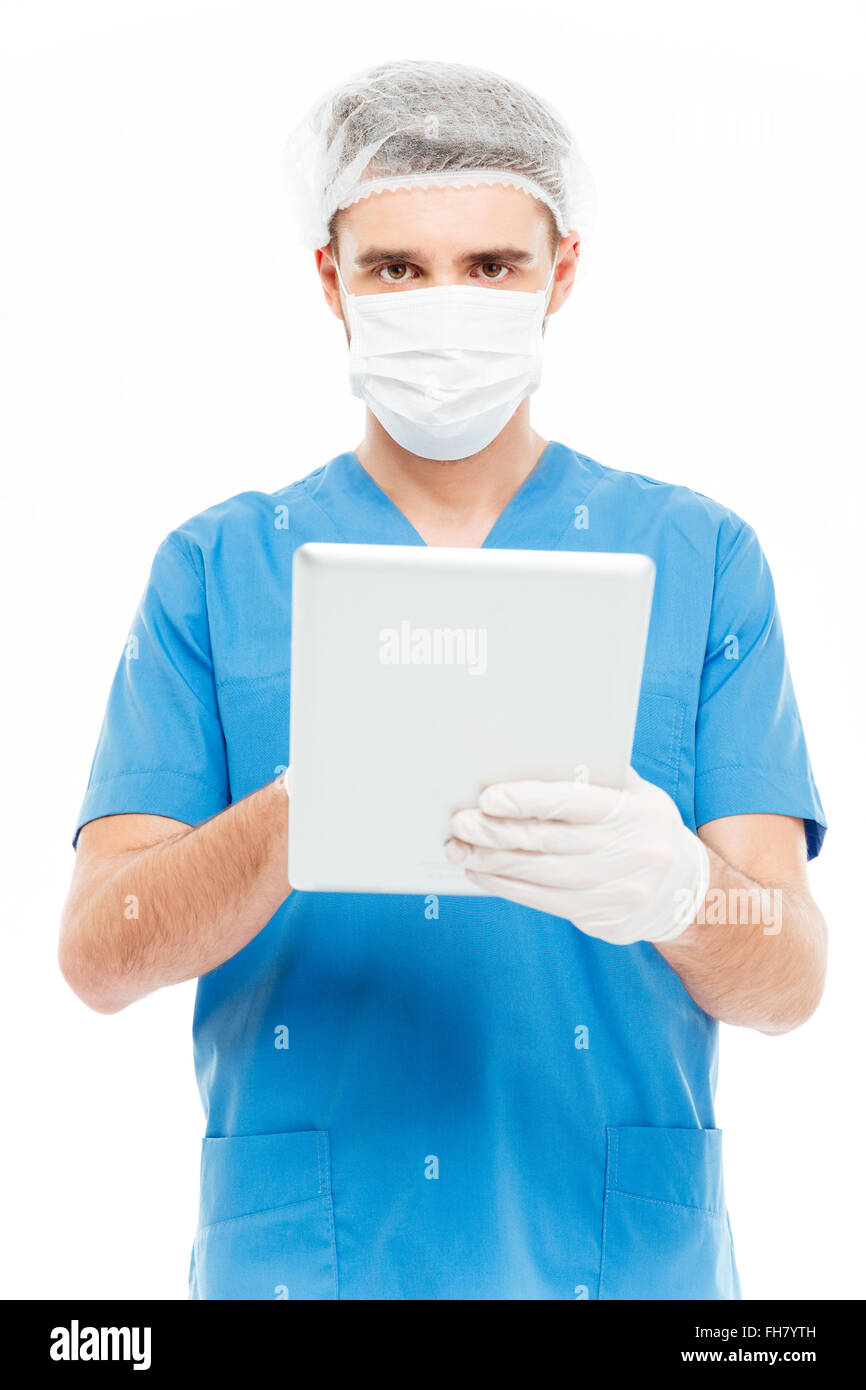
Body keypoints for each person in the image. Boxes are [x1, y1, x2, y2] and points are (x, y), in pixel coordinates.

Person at [60, 60, 827, 1301]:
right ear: (332, 277)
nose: (444, 304)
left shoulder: (696, 561)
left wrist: (683, 890)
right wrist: (315, 807)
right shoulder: (216, 568)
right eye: (397, 267)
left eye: (490, 267)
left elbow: (786, 969)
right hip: (310, 1266)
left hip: (620, 1263)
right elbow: (102, 950)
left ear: (559, 273)